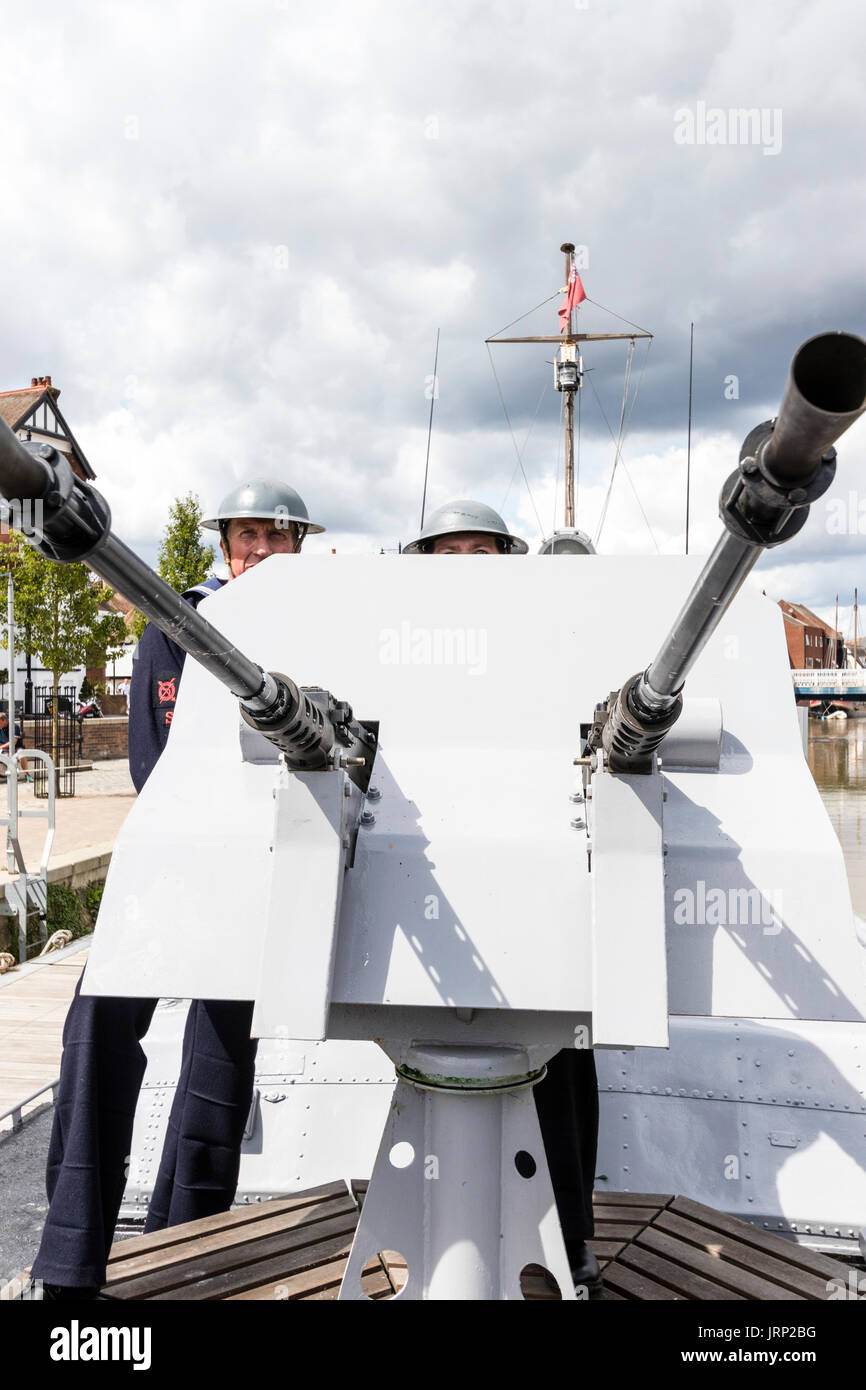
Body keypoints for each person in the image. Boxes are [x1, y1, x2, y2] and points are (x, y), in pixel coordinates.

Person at [30, 480, 324, 1299]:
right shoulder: (172, 626)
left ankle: (187, 1244)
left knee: (221, 1066)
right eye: (247, 537)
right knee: (95, 1032)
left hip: (265, 868)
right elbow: (148, 764)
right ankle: (69, 1256)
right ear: (225, 545)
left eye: (277, 537)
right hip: (176, 864)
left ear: (300, 545)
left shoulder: (327, 633)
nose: (260, 551)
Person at [405, 500, 602, 1296]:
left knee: (564, 1060)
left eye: (481, 554)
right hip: (441, 889)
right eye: (448, 554)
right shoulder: (409, 654)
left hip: (541, 877)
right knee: (441, 1058)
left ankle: (569, 1243)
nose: (465, 569)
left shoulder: (545, 648)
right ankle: (443, 1240)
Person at [0, 709, 30, 780]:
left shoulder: (14, 727)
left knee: (21, 753)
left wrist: (1, 747)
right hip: (4, 750)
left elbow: (13, 742)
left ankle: (27, 775)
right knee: (5, 756)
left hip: (16, 747)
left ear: (4, 720)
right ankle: (7, 773)